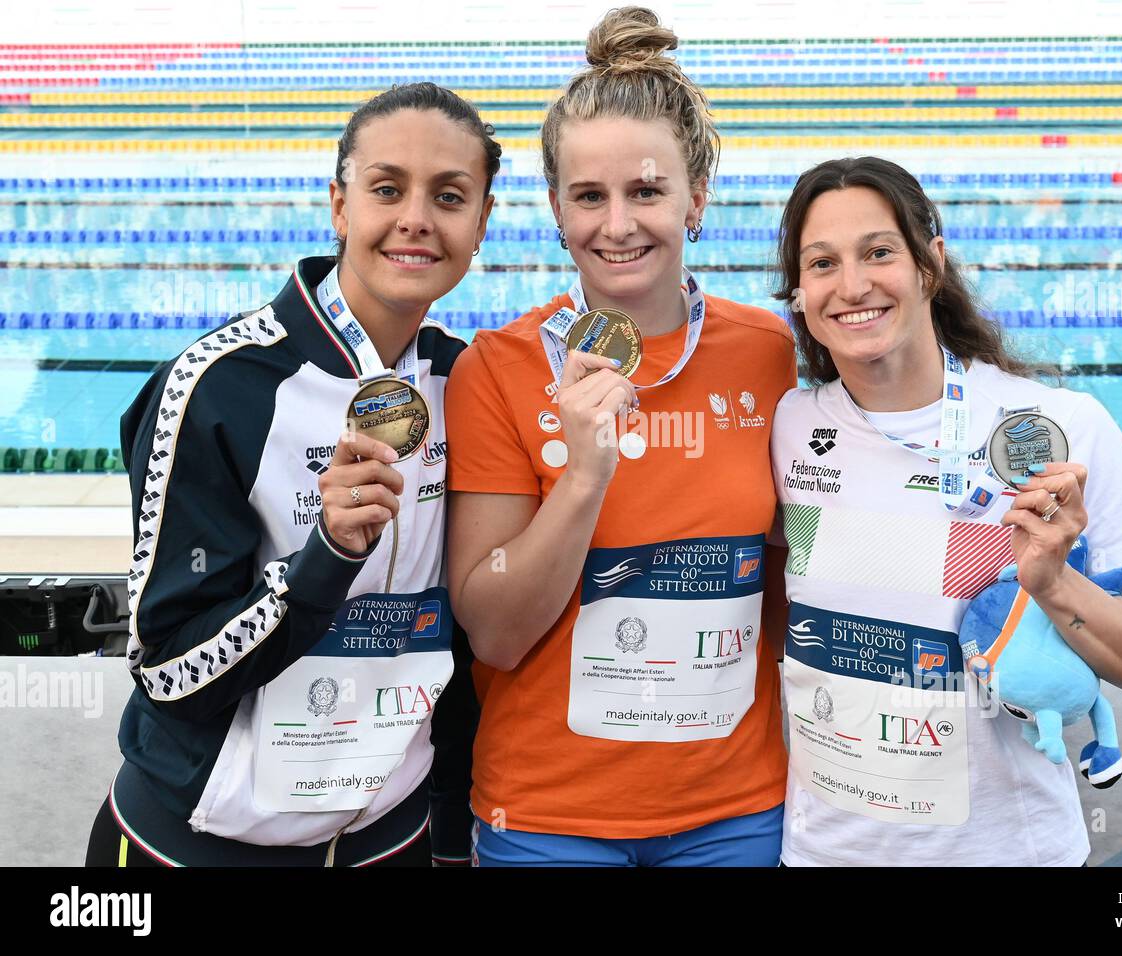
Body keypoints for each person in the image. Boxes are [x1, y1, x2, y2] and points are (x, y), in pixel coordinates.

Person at [85, 83, 498, 866]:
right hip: (202, 842)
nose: (416, 217)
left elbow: (466, 637)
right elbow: (169, 668)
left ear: (480, 225)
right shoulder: (213, 387)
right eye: (386, 189)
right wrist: (325, 557)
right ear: (340, 207)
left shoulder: (469, 382)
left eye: (449, 196)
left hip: (390, 840)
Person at [770, 156, 1122, 867]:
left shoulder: (1062, 431)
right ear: (800, 292)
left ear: (931, 265)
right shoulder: (788, 428)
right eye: (822, 263)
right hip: (820, 854)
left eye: (879, 252)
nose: (852, 286)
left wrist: (1055, 584)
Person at [445, 6, 795, 866]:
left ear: (696, 198)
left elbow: (800, 566)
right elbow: (493, 631)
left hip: (736, 810)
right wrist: (583, 477)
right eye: (589, 196)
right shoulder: (496, 369)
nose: (618, 224)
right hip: (546, 817)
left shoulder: (773, 355)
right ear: (557, 209)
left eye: (646, 191)